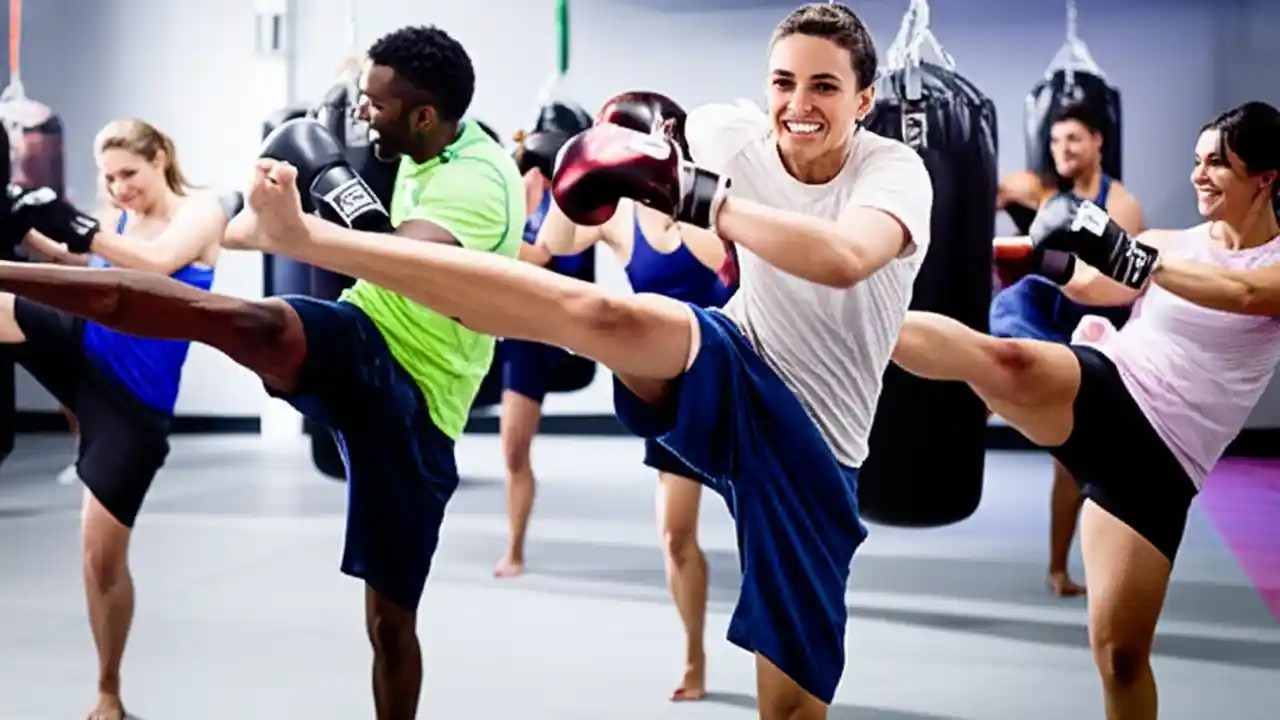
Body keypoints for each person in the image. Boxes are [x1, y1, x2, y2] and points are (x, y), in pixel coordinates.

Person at [215, 5, 931, 717]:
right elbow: (556, 239)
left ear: (865, 99)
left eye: (825, 87)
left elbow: (843, 260)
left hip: (816, 437)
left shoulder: (894, 171)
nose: (798, 104)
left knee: (792, 707)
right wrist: (540, 178)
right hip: (729, 357)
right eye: (784, 82)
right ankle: (306, 238)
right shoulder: (725, 134)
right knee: (595, 314)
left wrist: (690, 196)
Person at [0, 26, 523, 719]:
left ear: (424, 115)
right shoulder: (420, 146)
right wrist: (278, 207)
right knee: (248, 319)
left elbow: (403, 264)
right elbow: (244, 236)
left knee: (390, 625)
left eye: (376, 104)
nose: (362, 114)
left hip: (415, 398)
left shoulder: (476, 179)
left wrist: (328, 198)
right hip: (362, 332)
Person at [892, 100, 1280, 720]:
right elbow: (1100, 287)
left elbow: (1243, 293)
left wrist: (1139, 259)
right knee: (1008, 362)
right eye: (1197, 161)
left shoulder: (1264, 264)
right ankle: (845, 316)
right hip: (1116, 388)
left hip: (1164, 467)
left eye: (1219, 164)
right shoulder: (1169, 244)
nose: (1199, 175)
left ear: (1266, 177)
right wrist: (1044, 256)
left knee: (1120, 657)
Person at [2, 117, 236, 720]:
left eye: (128, 174)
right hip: (82, 350)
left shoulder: (199, 213)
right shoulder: (119, 221)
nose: (120, 189)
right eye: (109, 179)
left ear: (161, 157)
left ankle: (108, 689)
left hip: (133, 402)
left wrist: (83, 229)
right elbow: (84, 273)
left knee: (99, 558)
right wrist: (32, 234)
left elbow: (154, 266)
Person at [535, 90, 736, 701]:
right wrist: (580, 169)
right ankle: (694, 657)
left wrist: (669, 182)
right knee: (676, 537)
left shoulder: (702, 193)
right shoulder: (618, 216)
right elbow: (557, 242)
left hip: (735, 379)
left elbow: (726, 263)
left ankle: (778, 645)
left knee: (762, 528)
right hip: (670, 388)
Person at [991, 101, 1146, 597]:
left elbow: (1121, 282)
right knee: (983, 382)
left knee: (1071, 455)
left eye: (1074, 139)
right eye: (1056, 141)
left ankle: (1059, 569)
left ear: (1099, 141)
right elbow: (977, 192)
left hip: (1089, 327)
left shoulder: (1120, 204)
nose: (1063, 150)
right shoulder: (1038, 187)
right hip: (1032, 315)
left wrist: (1061, 241)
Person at [492, 100, 595, 581]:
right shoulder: (517, 188)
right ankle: (512, 546)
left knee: (514, 448)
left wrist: (482, 243)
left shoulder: (580, 201)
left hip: (546, 331)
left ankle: (515, 548)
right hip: (507, 330)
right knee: (509, 449)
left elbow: (546, 258)